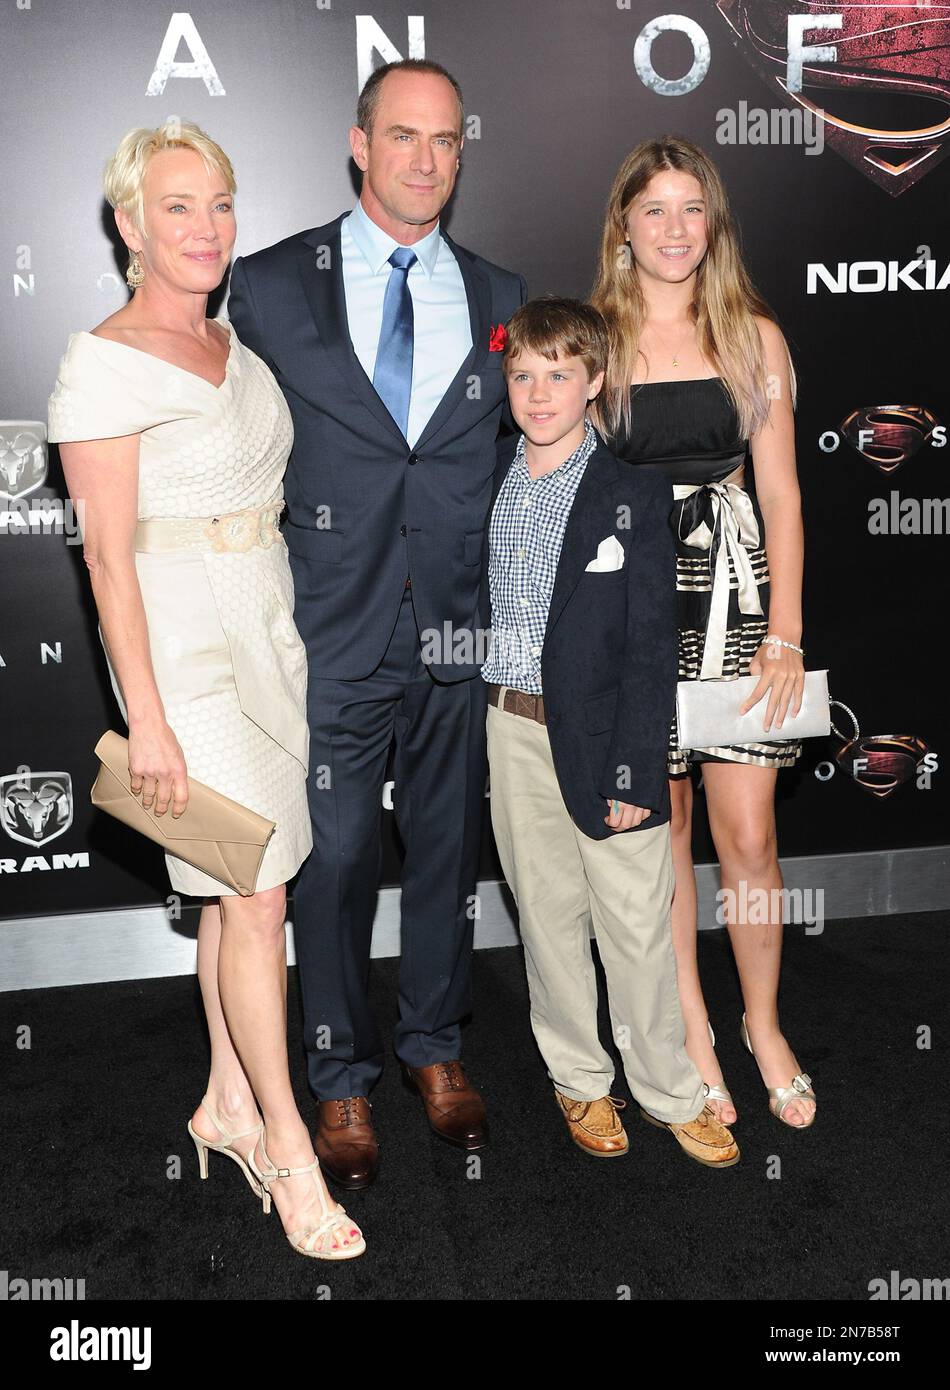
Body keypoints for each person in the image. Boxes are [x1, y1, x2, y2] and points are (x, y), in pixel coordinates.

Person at [47, 119, 365, 1260]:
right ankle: (285, 1144)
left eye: (220, 204)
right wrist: (148, 721)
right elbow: (106, 560)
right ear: (129, 224)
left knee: (234, 889)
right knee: (261, 896)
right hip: (183, 656)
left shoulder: (234, 342)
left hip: (265, 632)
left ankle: (226, 1094)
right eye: (176, 207)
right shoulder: (104, 360)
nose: (205, 228)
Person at [226, 59, 526, 1188]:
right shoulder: (267, 286)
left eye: (444, 140)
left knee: (448, 851)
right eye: (401, 136)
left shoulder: (501, 298)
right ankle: (337, 1075)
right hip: (327, 628)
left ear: (461, 152)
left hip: (456, 629)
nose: (423, 159)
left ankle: (435, 1051)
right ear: (359, 144)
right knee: (338, 857)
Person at [481, 295, 740, 1168]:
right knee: (547, 918)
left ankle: (668, 1086)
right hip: (511, 731)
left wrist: (637, 772)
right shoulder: (490, 481)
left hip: (607, 745)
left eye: (560, 374)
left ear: (594, 382)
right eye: (524, 374)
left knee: (633, 922)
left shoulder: (632, 492)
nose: (540, 392)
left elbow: (651, 649)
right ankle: (579, 1080)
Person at [589, 136, 816, 1129]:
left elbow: (780, 493)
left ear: (709, 223)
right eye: (653, 211)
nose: (673, 230)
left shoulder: (751, 335)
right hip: (637, 600)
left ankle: (762, 1023)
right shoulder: (595, 338)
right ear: (623, 228)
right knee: (667, 836)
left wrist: (785, 630)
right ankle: (692, 1026)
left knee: (750, 836)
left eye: (690, 209)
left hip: (732, 593)